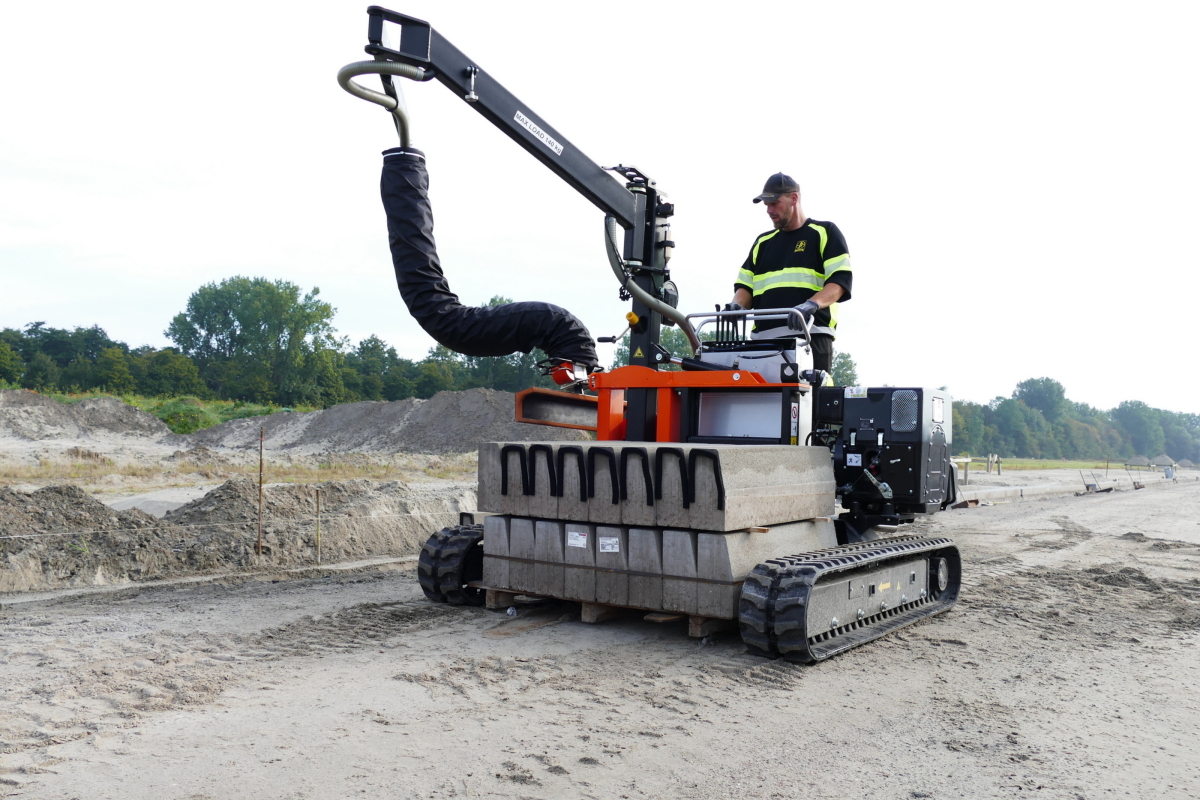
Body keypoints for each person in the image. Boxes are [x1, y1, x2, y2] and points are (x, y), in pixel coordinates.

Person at [728, 172, 853, 374]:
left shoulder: (824, 232)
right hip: (763, 346)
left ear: (794, 198)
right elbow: (745, 287)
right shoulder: (762, 242)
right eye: (766, 205)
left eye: (774, 203)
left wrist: (812, 304)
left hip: (809, 339)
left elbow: (839, 282)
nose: (769, 210)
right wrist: (736, 306)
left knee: (810, 404)